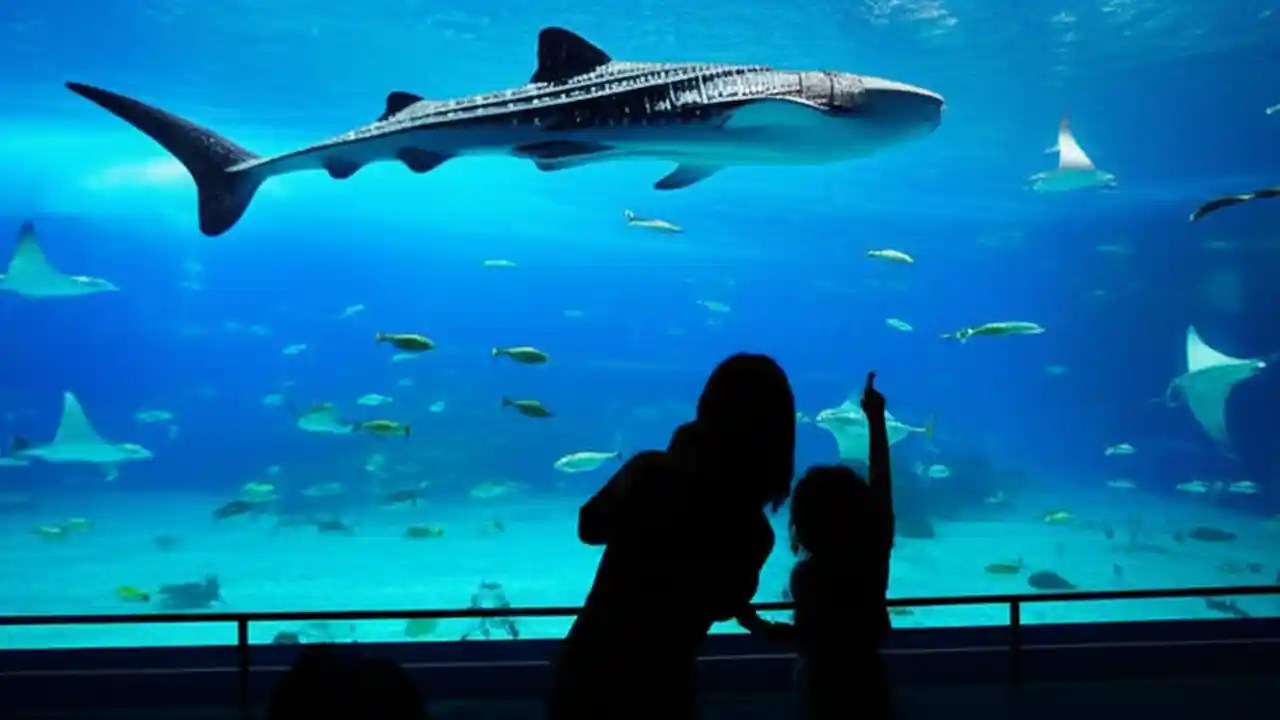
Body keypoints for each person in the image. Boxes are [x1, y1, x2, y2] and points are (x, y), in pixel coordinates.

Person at [547, 353, 796, 720]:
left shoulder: (648, 471)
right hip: (663, 684)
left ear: (706, 405)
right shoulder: (753, 531)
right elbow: (722, 604)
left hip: (589, 664)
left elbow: (589, 528)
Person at [737, 371, 896, 720]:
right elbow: (881, 485)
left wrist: (756, 624)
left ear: (801, 526)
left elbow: (807, 639)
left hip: (822, 683)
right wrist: (875, 419)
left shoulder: (809, 576)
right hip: (869, 675)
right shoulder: (873, 552)